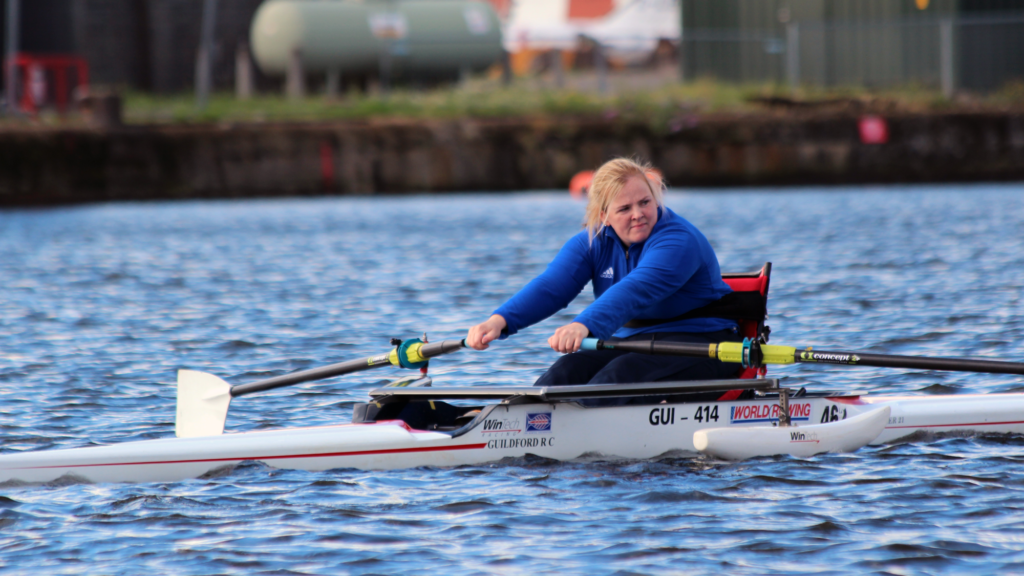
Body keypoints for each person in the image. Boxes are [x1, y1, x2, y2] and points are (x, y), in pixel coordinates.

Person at [466, 157, 743, 386]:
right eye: (624, 208)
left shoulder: (679, 240)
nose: (639, 214)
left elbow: (635, 289)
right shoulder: (591, 242)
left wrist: (582, 325)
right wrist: (498, 321)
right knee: (559, 377)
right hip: (633, 342)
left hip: (702, 343)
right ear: (603, 216)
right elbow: (550, 288)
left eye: (645, 202)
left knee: (616, 377)